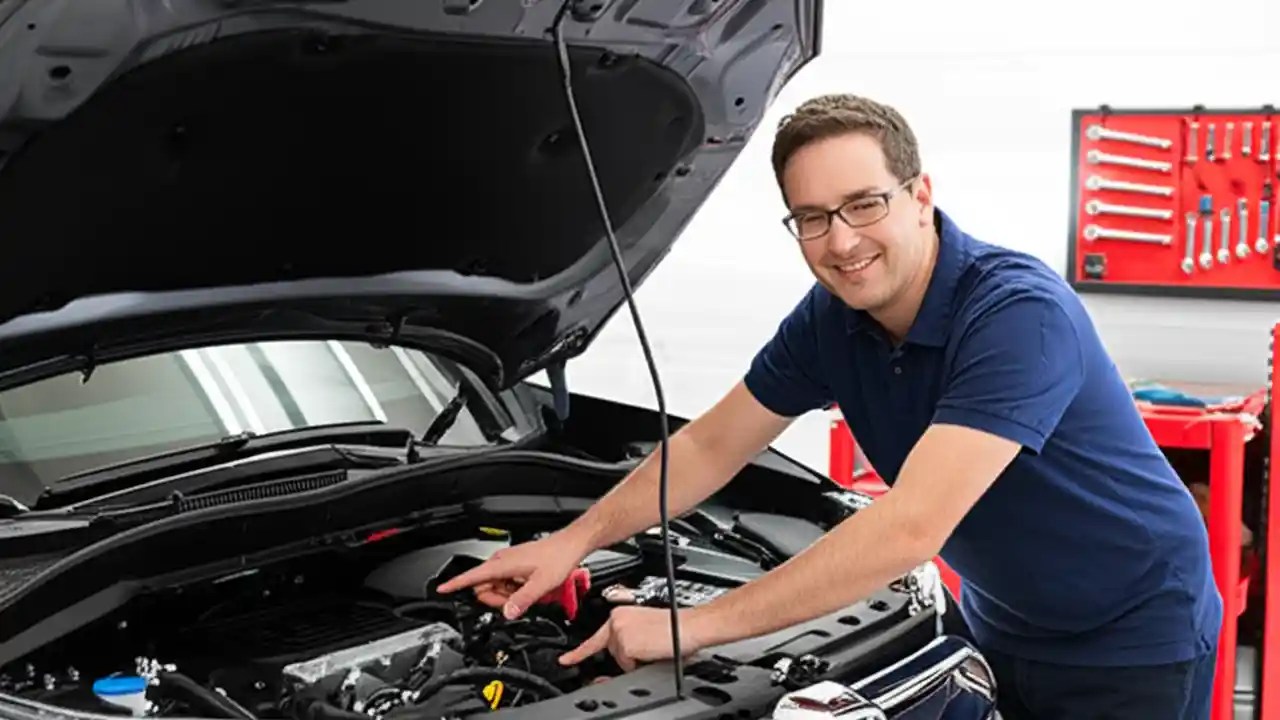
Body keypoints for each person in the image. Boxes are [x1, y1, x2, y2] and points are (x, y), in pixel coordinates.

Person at [438, 94, 1223, 718]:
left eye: (863, 204)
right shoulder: (831, 318)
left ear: (921, 195)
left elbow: (913, 525)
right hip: (1000, 616)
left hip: (1131, 633)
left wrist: (694, 627)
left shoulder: (1017, 313)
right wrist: (573, 541)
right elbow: (713, 446)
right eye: (811, 218)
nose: (840, 242)